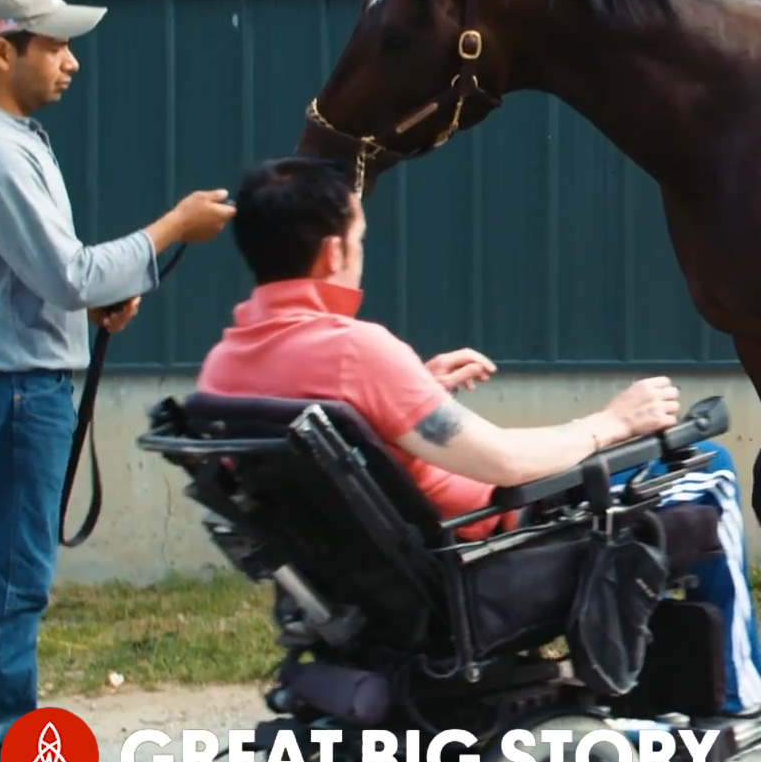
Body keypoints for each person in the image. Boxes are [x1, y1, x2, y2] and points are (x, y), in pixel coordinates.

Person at [197, 155, 761, 718]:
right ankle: (740, 695)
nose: (360, 254)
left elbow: (336, 428)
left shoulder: (223, 367)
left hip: (359, 579)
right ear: (333, 252)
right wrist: (616, 421)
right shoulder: (354, 352)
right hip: (481, 546)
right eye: (359, 238)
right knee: (705, 466)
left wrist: (411, 395)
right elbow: (508, 463)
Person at [0, 0, 236, 762]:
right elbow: (68, 273)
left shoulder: (1, 138)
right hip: (10, 393)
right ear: (3, 49)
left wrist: (85, 301)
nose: (72, 61)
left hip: (1, 384)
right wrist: (172, 230)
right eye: (56, 45)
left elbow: (39, 278)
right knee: (6, 585)